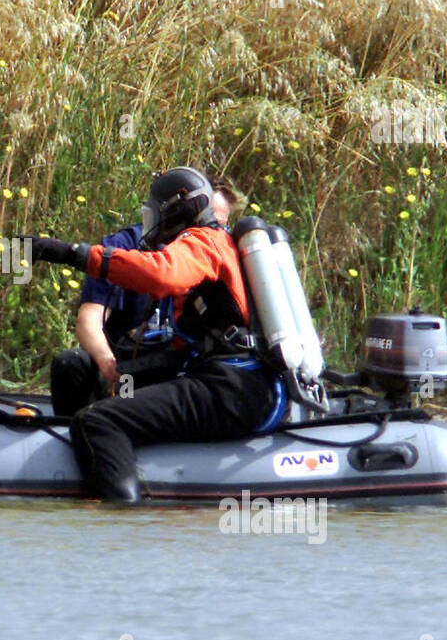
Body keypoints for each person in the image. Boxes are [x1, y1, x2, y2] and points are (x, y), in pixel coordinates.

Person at [28, 168, 273, 502]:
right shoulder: (222, 245)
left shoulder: (202, 241)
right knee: (101, 385)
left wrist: (71, 254)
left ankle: (126, 521)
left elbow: (161, 275)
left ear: (176, 211)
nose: (151, 222)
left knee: (97, 422)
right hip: (238, 384)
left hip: (227, 389)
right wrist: (128, 371)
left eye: (155, 213)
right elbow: (188, 345)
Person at [49, 180, 238, 416]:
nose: (212, 232)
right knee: (72, 363)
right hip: (125, 371)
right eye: (207, 220)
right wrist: (105, 359)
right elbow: (90, 319)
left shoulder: (216, 255)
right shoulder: (125, 247)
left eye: (220, 225)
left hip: (178, 370)